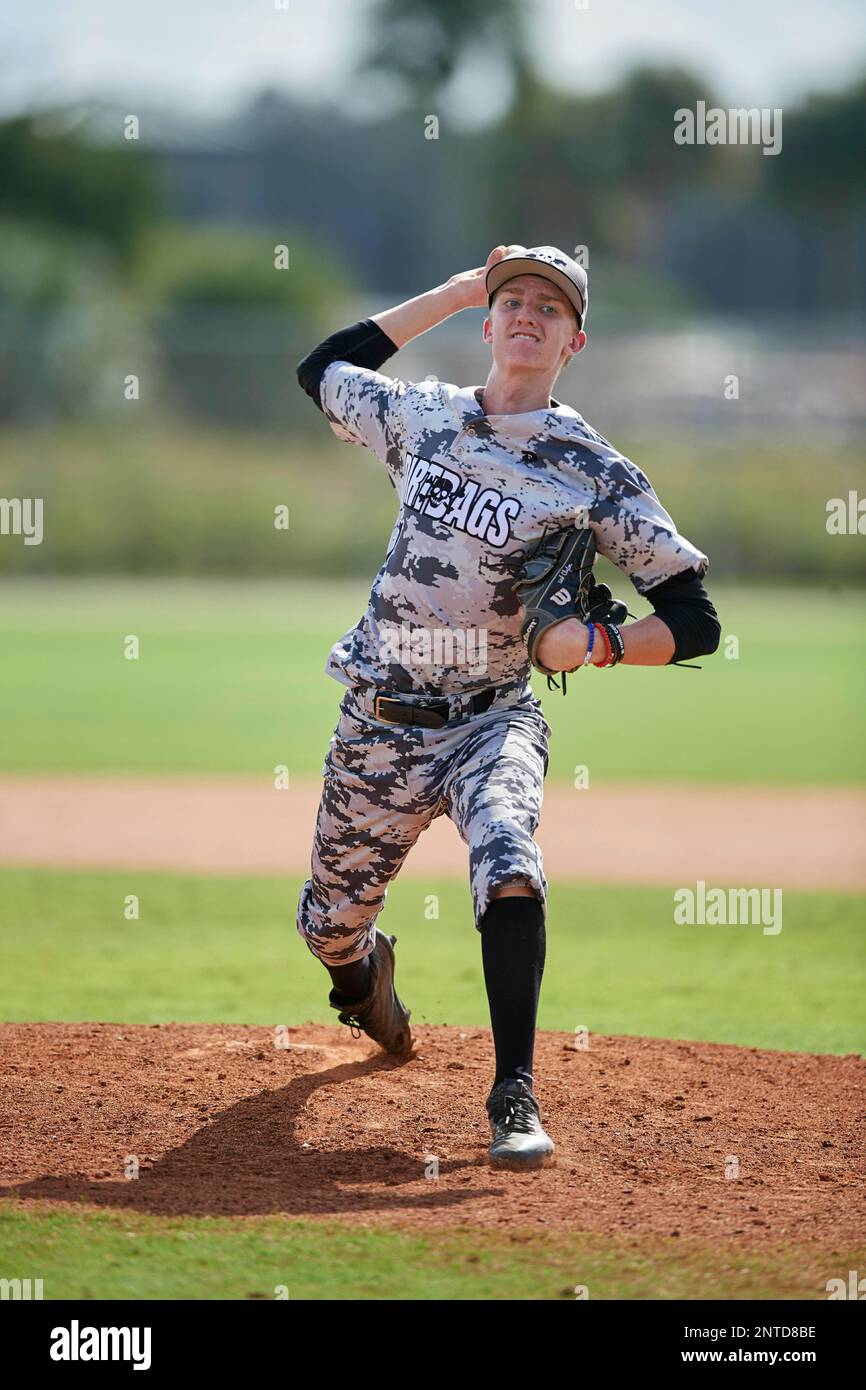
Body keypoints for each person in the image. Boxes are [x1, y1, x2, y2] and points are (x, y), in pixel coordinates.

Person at [295, 244, 720, 1169]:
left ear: (574, 340)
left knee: (510, 861)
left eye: (551, 307)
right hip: (379, 721)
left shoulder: (593, 470)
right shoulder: (423, 416)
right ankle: (364, 975)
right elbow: (322, 370)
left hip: (493, 719)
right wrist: (449, 293)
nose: (529, 314)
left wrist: (600, 643)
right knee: (328, 927)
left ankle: (513, 1094)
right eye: (512, 300)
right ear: (489, 325)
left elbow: (695, 619)